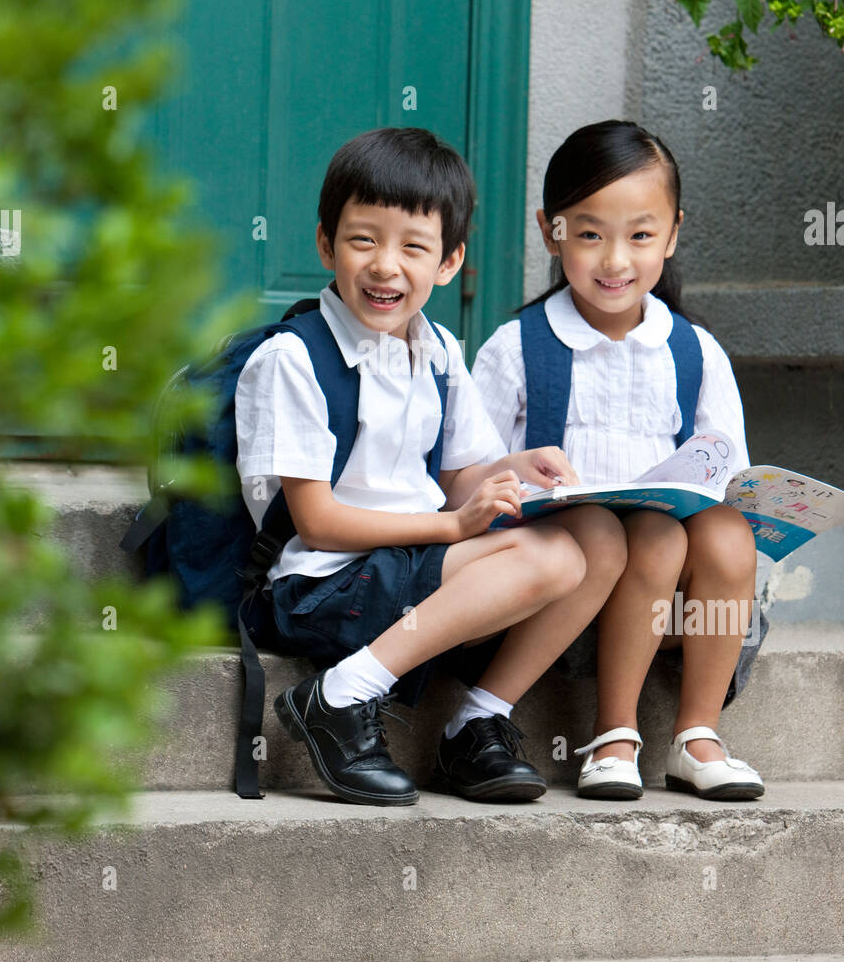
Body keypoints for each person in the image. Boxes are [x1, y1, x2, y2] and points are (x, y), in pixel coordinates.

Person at [235, 126, 627, 807]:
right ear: (326, 245)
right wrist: (452, 528)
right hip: (319, 584)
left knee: (600, 537)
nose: (386, 266)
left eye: (414, 247)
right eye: (364, 240)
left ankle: (476, 723)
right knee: (551, 562)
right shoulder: (294, 359)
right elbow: (318, 524)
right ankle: (339, 695)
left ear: (449, 262)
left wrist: (519, 468)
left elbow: (460, 481)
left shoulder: (439, 349)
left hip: (407, 564)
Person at [472, 119, 765, 801]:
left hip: (678, 607)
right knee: (654, 535)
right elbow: (470, 477)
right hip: (569, 592)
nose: (615, 261)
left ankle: (697, 735)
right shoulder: (516, 349)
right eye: (590, 234)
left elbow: (729, 473)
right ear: (552, 231)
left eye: (639, 234)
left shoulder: (695, 352)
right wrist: (519, 475)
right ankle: (614, 733)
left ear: (671, 233)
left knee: (723, 528)